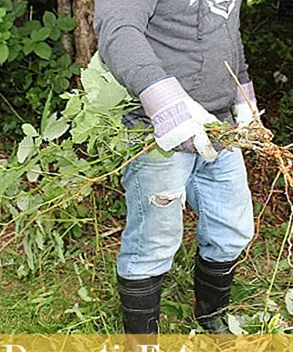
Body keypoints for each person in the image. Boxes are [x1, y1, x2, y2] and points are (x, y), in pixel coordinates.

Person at [95, 0, 257, 334]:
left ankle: (211, 319)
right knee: (153, 242)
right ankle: (142, 349)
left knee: (232, 230)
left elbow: (228, 34)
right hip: (157, 132)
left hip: (218, 127)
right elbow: (118, 30)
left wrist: (243, 94)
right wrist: (166, 102)